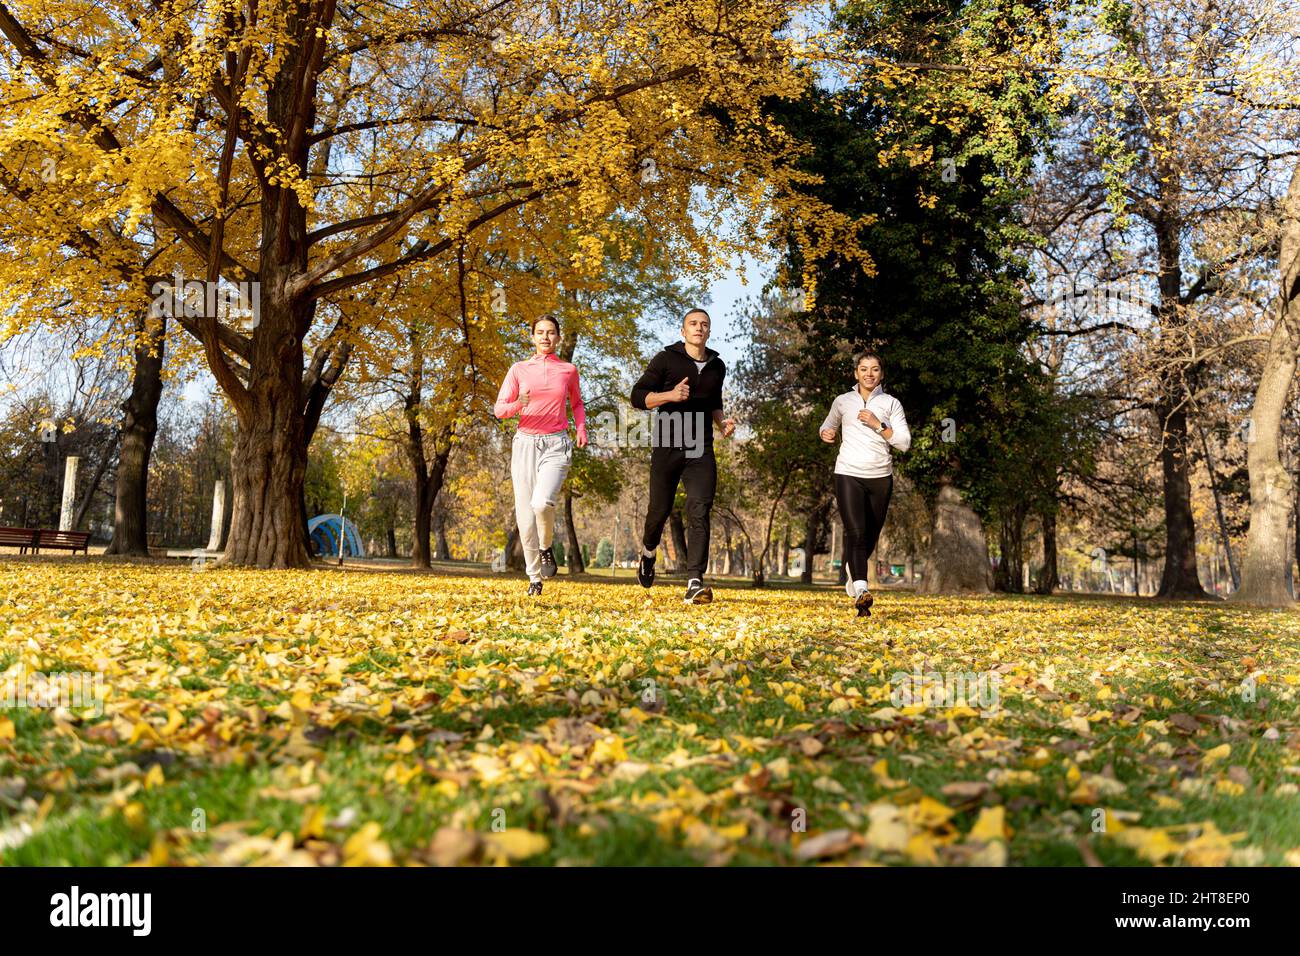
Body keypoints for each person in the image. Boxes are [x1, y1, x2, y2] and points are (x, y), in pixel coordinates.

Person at [630, 308, 736, 604]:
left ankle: (694, 582)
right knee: (658, 511)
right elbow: (637, 397)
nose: (698, 328)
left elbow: (715, 401)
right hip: (667, 444)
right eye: (693, 323)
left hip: (700, 446)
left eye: (704, 324)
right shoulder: (666, 359)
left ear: (709, 331)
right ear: (683, 331)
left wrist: (721, 422)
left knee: (699, 509)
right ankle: (648, 552)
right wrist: (669, 396)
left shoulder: (718, 366)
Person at [494, 315, 587, 596]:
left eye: (551, 333)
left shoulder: (568, 370)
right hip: (524, 444)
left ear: (558, 338)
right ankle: (534, 577)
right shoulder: (518, 369)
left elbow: (577, 403)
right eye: (540, 332)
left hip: (556, 444)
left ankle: (546, 547)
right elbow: (499, 410)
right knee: (525, 516)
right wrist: (517, 404)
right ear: (532, 337)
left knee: (542, 503)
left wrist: (580, 428)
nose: (545, 337)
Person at [818, 351, 910, 617]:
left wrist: (878, 424)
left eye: (875, 369)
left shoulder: (891, 404)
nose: (869, 374)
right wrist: (827, 433)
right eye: (863, 369)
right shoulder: (843, 401)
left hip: (881, 476)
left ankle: (852, 570)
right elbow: (828, 426)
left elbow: (903, 443)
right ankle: (861, 590)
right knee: (855, 533)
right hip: (848, 472)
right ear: (855, 373)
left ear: (881, 373)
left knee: (870, 535)